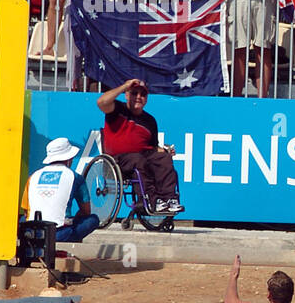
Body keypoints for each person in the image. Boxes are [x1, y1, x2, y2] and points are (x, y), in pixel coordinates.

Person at [98, 78, 183, 213]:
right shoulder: (117, 109)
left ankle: (169, 199)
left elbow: (154, 147)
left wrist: (165, 151)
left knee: (164, 159)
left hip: (143, 156)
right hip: (118, 160)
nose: (138, 97)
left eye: (142, 95)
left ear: (147, 98)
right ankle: (151, 200)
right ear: (126, 95)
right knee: (138, 160)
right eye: (134, 93)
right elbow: (101, 102)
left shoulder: (150, 120)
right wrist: (125, 86)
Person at [26, 136, 100, 243]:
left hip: (32, 233)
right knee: (92, 220)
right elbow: (86, 211)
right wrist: (73, 221)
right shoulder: (75, 177)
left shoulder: (33, 176)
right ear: (69, 159)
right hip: (59, 234)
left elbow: (26, 211)